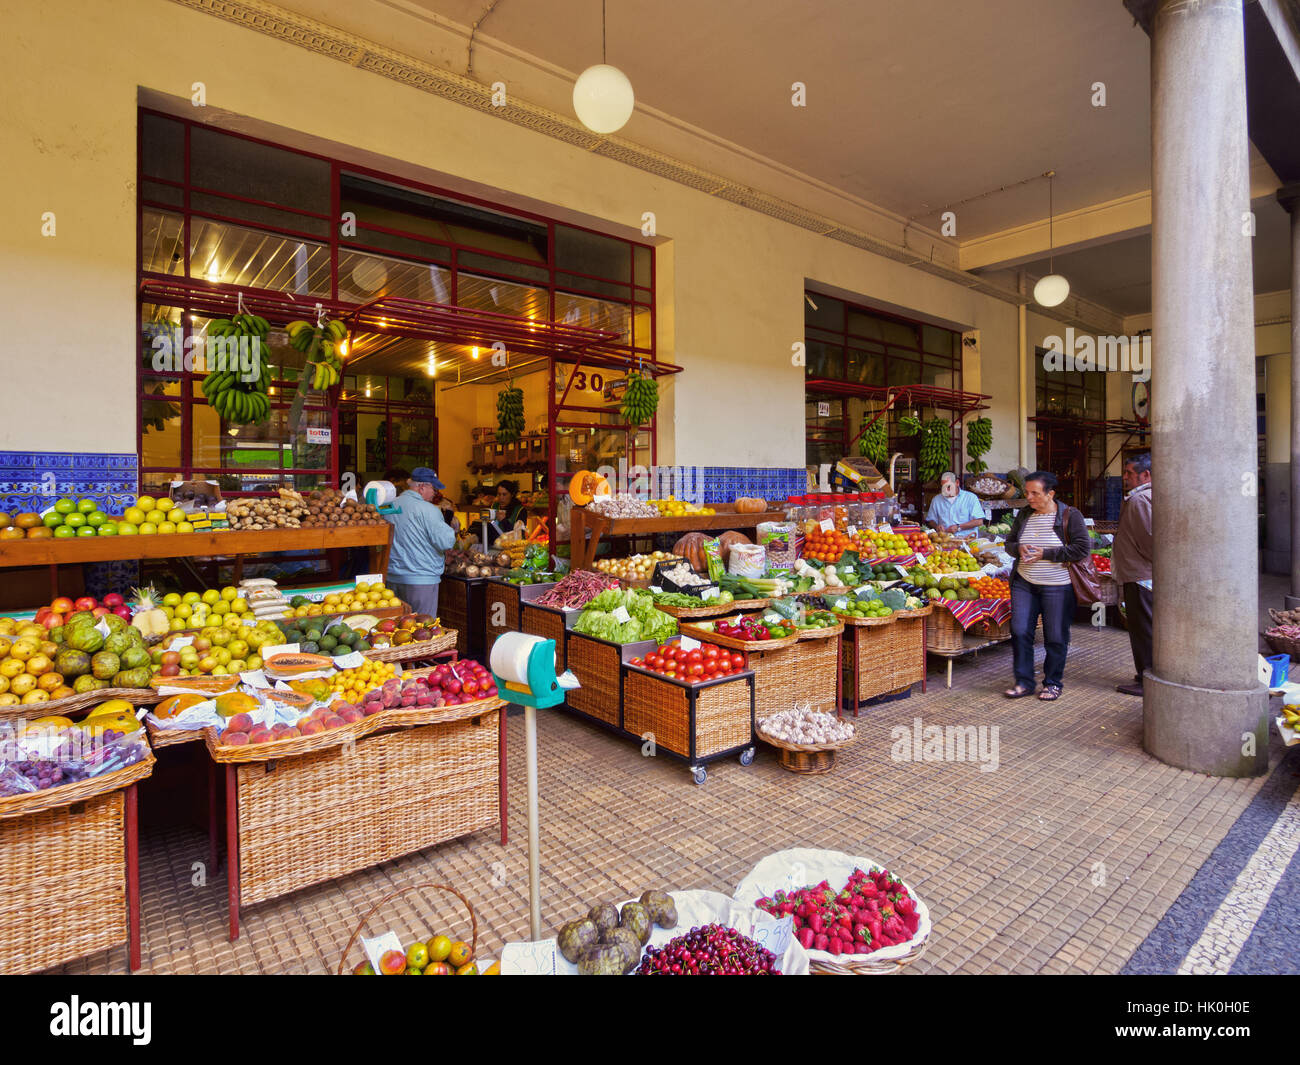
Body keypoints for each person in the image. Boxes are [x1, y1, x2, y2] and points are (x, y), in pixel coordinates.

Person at [1002, 471, 1091, 701]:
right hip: (1024, 582)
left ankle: (1052, 682)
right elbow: (1009, 544)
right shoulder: (1024, 514)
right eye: (1026, 493)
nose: (1029, 497)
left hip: (1057, 586)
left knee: (1055, 636)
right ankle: (1024, 682)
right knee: (1020, 631)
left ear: (1050, 493)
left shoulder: (1070, 516)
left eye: (1035, 493)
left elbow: (1081, 549)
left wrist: (1045, 554)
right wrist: (1018, 549)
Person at [383, 466, 458, 618]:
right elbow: (446, 542)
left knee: (398, 629)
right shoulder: (428, 510)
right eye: (434, 489)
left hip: (393, 578)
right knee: (422, 630)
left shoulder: (388, 506)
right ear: (422, 487)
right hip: (421, 579)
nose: (435, 494)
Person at [1112, 452, 1153, 696]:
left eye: (1129, 473)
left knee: (1143, 629)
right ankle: (1145, 675)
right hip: (1140, 574)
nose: (1125, 477)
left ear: (1145, 475)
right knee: (1142, 627)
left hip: (1141, 575)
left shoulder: (1140, 501)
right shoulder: (1142, 497)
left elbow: (1150, 540)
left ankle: (1146, 679)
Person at [925, 472, 986, 537]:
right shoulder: (936, 500)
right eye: (943, 487)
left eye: (948, 486)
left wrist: (959, 527)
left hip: (967, 539)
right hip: (945, 540)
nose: (945, 490)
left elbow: (979, 521)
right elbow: (930, 519)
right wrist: (937, 526)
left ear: (957, 483)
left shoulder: (971, 498)